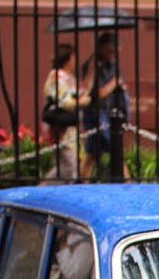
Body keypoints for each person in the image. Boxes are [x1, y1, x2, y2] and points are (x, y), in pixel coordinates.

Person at [80, 31, 129, 178]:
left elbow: (122, 84)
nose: (113, 54)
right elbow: (95, 93)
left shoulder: (113, 65)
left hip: (111, 113)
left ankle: (82, 182)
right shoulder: (92, 66)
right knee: (115, 149)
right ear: (102, 48)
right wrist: (113, 84)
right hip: (97, 115)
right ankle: (128, 182)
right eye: (110, 50)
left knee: (92, 154)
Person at [42, 44, 88, 183]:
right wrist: (83, 101)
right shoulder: (56, 76)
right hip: (61, 126)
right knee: (69, 164)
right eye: (73, 57)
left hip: (72, 127)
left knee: (69, 164)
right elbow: (64, 101)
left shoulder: (70, 77)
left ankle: (46, 188)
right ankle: (45, 188)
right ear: (67, 59)